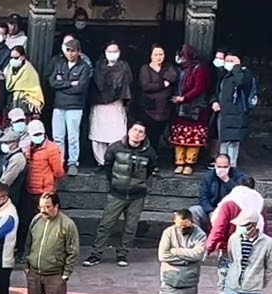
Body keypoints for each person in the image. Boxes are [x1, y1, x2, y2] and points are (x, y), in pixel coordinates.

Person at [86, 122, 156, 268]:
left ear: (144, 136)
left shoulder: (149, 152)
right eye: (135, 130)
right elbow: (108, 166)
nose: (137, 134)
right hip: (116, 193)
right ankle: (96, 254)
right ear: (129, 131)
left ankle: (122, 254)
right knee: (105, 224)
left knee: (130, 227)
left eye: (141, 132)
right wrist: (114, 183)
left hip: (137, 195)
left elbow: (150, 170)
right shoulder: (115, 148)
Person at [20, 192, 79, 294]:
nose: (43, 210)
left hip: (55, 275)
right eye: (41, 207)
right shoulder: (36, 220)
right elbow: (28, 244)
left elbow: (73, 252)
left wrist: (65, 275)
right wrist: (26, 265)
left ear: (56, 206)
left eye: (47, 207)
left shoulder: (67, 225)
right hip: (34, 272)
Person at [168, 45, 212, 176]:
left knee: (193, 137)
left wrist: (184, 98)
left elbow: (199, 88)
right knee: (179, 136)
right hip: (179, 108)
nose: (179, 58)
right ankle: (179, 162)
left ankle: (189, 163)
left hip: (195, 109)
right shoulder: (180, 69)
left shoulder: (199, 69)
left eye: (181, 56)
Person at [49, 39, 92, 173]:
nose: (70, 53)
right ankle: (59, 162)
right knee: (58, 137)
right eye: (68, 50)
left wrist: (62, 87)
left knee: (73, 137)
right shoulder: (60, 64)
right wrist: (70, 83)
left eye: (73, 51)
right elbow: (52, 82)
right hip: (58, 105)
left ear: (79, 52)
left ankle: (73, 162)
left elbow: (80, 88)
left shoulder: (84, 67)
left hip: (75, 106)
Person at [21, 120, 65, 234]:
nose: (38, 136)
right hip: (30, 189)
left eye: (40, 134)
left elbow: (58, 171)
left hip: (45, 191)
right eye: (35, 134)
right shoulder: (27, 147)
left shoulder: (52, 149)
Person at [214, 53, 254, 167]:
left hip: (236, 114)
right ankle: (222, 166)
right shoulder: (225, 75)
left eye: (231, 61)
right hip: (224, 113)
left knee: (233, 143)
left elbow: (240, 82)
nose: (228, 63)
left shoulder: (244, 74)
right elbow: (217, 91)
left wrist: (237, 67)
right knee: (223, 142)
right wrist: (214, 101)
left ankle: (231, 167)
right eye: (227, 60)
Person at [138, 44, 177, 155]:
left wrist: (157, 84)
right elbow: (146, 86)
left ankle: (155, 157)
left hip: (165, 108)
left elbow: (173, 76)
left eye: (161, 54)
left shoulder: (168, 67)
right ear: (151, 56)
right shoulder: (145, 69)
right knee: (149, 135)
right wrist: (163, 84)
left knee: (159, 135)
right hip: (149, 108)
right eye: (156, 54)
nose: (159, 57)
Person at [193, 154, 244, 229]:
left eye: (225, 167)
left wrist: (227, 180)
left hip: (229, 211)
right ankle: (199, 235)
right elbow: (203, 196)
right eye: (219, 167)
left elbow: (240, 193)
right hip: (211, 208)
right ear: (215, 165)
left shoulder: (237, 176)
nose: (222, 169)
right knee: (194, 211)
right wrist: (210, 211)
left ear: (230, 165)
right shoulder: (208, 177)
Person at [5, 46, 43, 114]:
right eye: (11, 58)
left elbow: (35, 89)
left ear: (22, 57)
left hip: (25, 102)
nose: (13, 60)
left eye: (16, 58)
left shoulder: (30, 71)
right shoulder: (8, 69)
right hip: (10, 100)